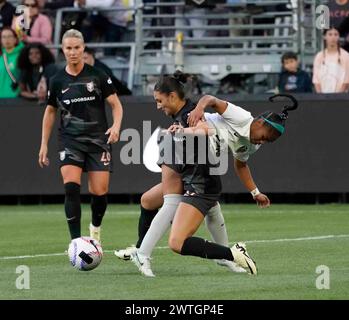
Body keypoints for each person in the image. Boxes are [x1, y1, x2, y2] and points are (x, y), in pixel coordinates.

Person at [129, 73, 298, 277]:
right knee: (176, 201)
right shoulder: (241, 117)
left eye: (267, 142)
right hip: (188, 151)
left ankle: (221, 256)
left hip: (200, 160)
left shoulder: (252, 145)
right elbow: (211, 101)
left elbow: (241, 165)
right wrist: (199, 109)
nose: (261, 142)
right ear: (260, 123)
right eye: (264, 137)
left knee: (154, 201)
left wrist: (255, 192)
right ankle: (142, 251)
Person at [115, 72, 246, 276]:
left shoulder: (189, 114)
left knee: (184, 204)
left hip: (198, 177)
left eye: (160, 100)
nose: (158, 106)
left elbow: (206, 130)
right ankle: (142, 250)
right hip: (190, 172)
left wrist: (182, 132)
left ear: (173, 96)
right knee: (149, 201)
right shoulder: (182, 113)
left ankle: (143, 252)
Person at [38, 29, 123, 243]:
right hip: (70, 140)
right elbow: (50, 112)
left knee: (100, 193)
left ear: (83, 49)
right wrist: (44, 144)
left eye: (77, 48)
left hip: (97, 140)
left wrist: (116, 126)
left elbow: (116, 105)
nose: (73, 52)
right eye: (68, 48)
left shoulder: (98, 76)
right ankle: (75, 242)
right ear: (63, 50)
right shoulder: (57, 80)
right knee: (71, 187)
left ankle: (95, 228)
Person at [313, 27, 349, 93]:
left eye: (336, 34)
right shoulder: (319, 56)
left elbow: (346, 80)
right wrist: (320, 96)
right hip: (322, 98)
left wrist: (337, 96)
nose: (333, 37)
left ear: (338, 37)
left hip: (341, 97)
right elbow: (316, 79)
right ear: (325, 37)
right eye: (330, 34)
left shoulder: (346, 55)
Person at [0, 27, 25, 98]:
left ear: (15, 39)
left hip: (15, 99)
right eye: (3, 37)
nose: (6, 39)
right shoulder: (1, 57)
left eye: (9, 36)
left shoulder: (22, 55)